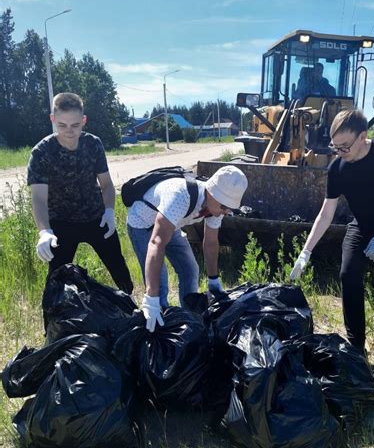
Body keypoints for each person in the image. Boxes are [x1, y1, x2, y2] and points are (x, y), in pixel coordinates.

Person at [290, 108, 374, 352]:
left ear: (363, 136)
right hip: (362, 225)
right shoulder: (338, 169)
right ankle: (356, 347)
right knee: (348, 275)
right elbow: (326, 213)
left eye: (344, 147)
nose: (339, 152)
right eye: (334, 147)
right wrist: (306, 252)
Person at [27, 92, 133, 294]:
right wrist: (44, 231)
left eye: (75, 125)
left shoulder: (93, 144)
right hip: (61, 224)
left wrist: (109, 211)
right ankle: (52, 324)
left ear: (83, 120)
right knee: (55, 282)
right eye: (62, 125)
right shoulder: (41, 152)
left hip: (96, 217)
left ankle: (133, 310)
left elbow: (107, 185)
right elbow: (39, 199)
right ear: (53, 119)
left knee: (119, 268)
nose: (69, 131)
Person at [126, 165, 248, 332]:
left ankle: (188, 319)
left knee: (190, 269)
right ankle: (160, 327)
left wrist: (213, 279)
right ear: (211, 192)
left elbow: (211, 242)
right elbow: (157, 243)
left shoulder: (215, 209)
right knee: (159, 285)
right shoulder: (180, 196)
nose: (225, 212)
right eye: (224, 207)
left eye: (229, 208)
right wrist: (151, 297)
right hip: (142, 224)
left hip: (171, 224)